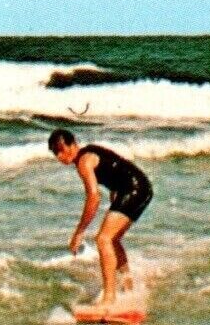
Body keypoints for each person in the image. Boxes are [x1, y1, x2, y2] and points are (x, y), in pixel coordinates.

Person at [48, 129, 153, 310]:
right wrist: (115, 191)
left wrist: (79, 232)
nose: (60, 156)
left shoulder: (84, 162)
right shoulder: (90, 152)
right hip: (141, 187)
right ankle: (128, 286)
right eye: (55, 152)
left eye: (61, 149)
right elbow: (117, 166)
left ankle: (109, 298)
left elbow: (94, 198)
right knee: (112, 239)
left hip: (134, 189)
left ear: (73, 144)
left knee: (103, 239)